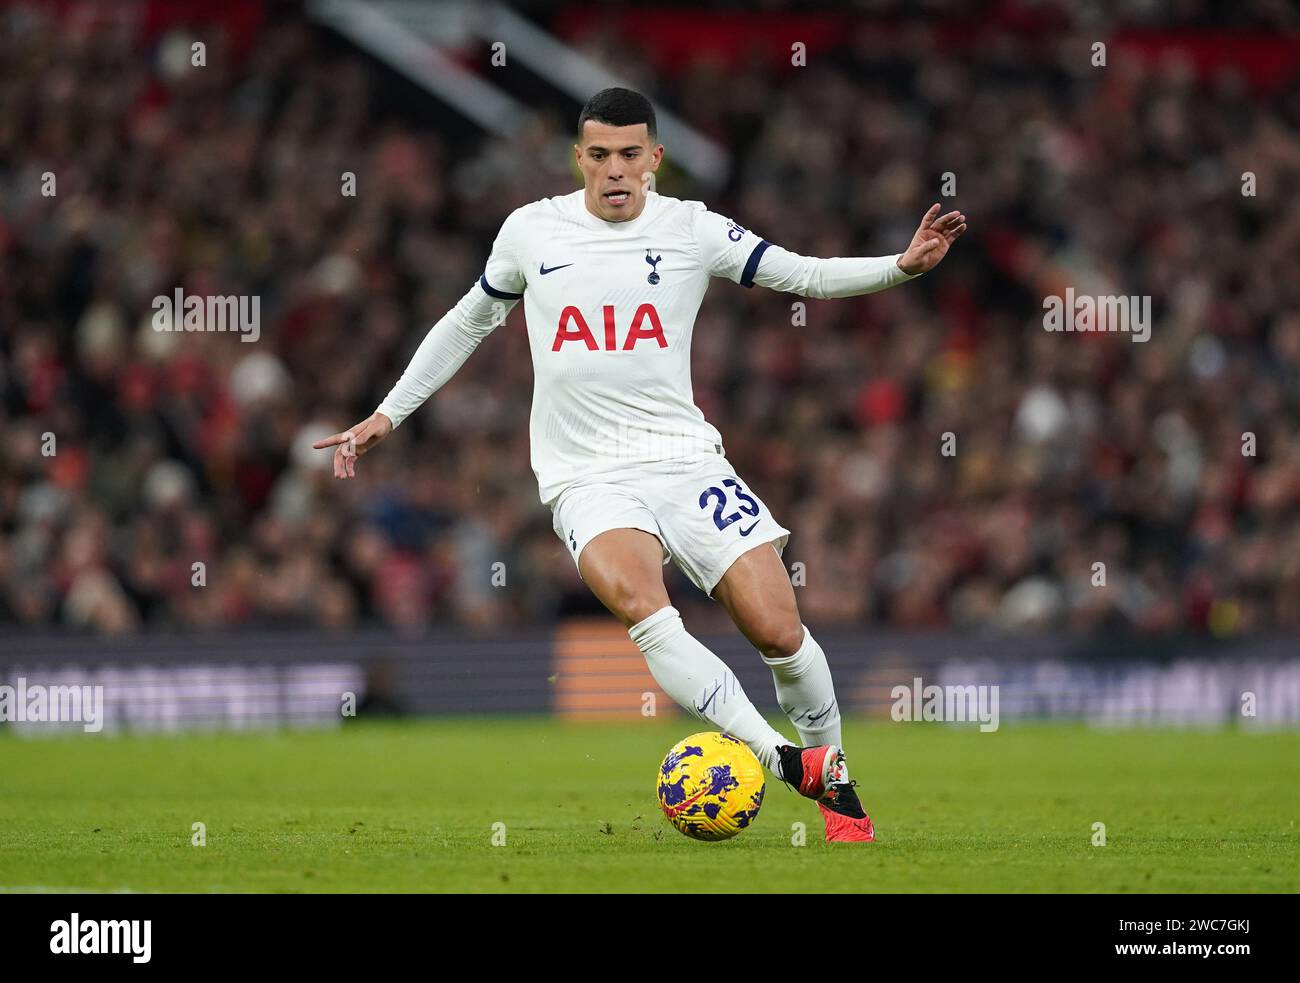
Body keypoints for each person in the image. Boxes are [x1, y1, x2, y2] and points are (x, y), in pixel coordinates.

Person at [315, 87, 966, 842]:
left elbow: (804, 274)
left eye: (630, 155)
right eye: (599, 156)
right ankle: (781, 759)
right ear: (579, 159)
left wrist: (901, 267)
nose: (615, 170)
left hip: (685, 460)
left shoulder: (690, 227)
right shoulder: (531, 230)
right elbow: (468, 321)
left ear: (655, 159)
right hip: (584, 475)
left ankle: (835, 779)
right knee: (640, 601)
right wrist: (388, 413)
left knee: (779, 630)